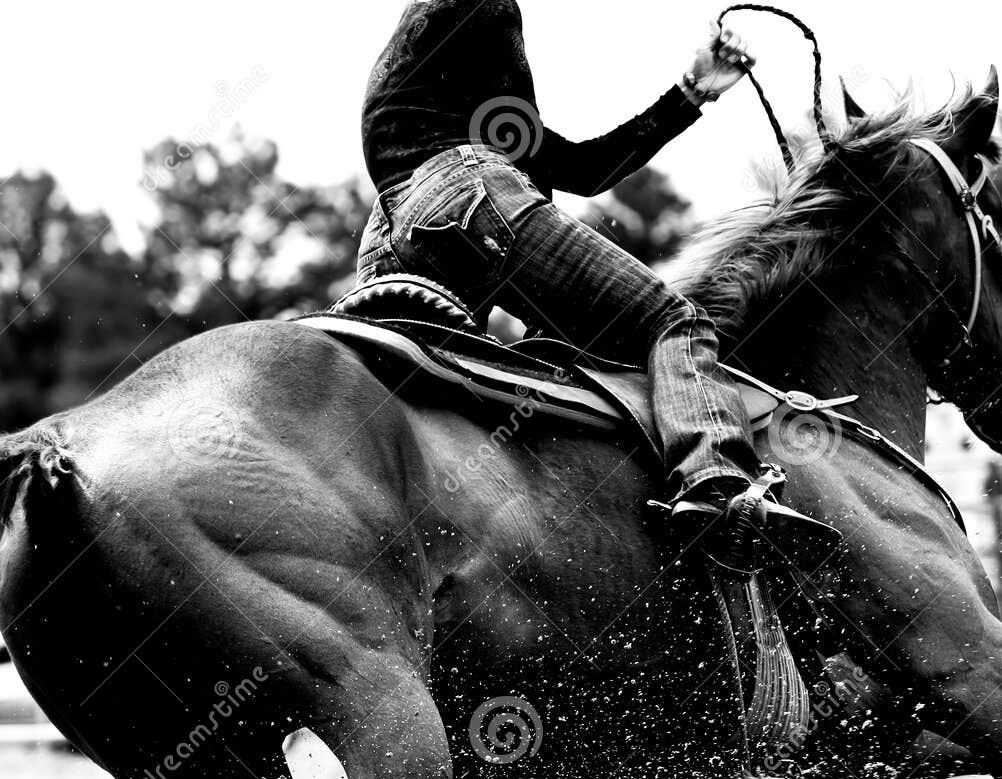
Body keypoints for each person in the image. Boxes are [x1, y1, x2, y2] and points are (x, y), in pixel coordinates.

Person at [353, 0, 839, 566]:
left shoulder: (418, 48)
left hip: (395, 230)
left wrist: (692, 91)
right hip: (468, 195)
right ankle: (718, 488)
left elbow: (577, 168)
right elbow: (562, 168)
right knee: (675, 322)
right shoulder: (484, 8)